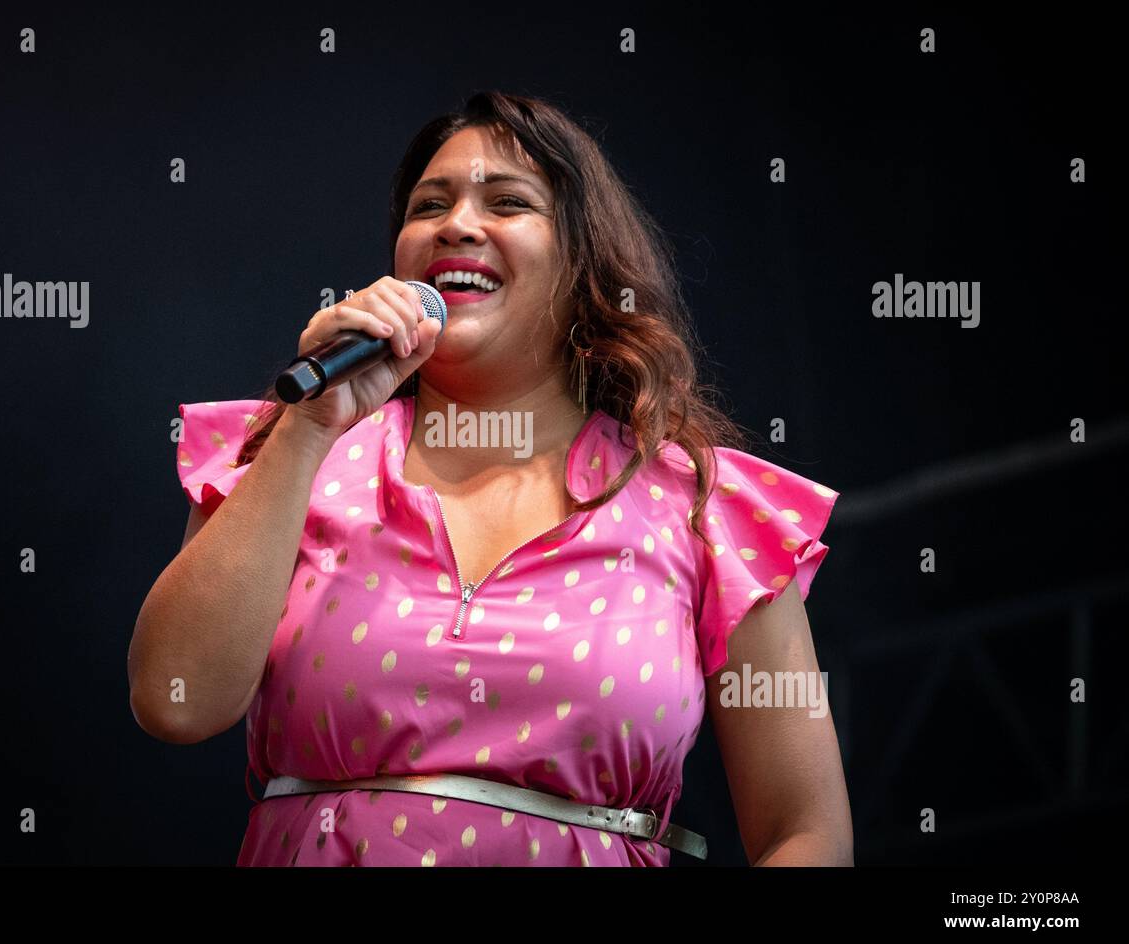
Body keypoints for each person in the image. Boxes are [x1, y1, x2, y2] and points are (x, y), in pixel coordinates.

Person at [128, 91, 853, 866]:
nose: (457, 224)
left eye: (508, 202)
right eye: (428, 205)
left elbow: (804, 830)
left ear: (583, 262)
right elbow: (175, 700)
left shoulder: (707, 509)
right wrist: (307, 429)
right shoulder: (289, 455)